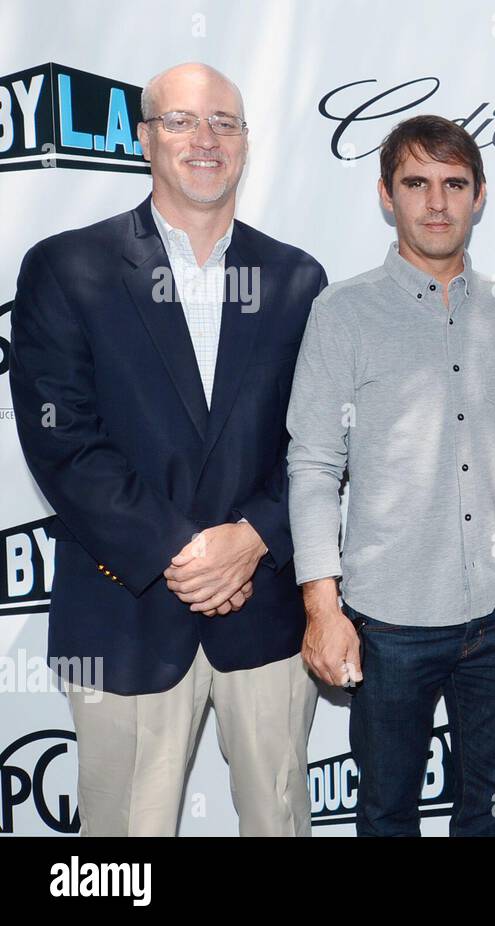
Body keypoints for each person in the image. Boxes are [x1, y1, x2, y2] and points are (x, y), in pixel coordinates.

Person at [10, 62, 326, 836]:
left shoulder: (295, 278)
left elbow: (320, 442)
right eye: (182, 121)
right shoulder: (66, 268)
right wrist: (185, 554)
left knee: (280, 822)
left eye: (225, 122)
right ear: (146, 139)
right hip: (127, 613)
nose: (205, 139)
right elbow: (64, 444)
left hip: (267, 618)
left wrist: (251, 540)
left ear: (246, 143)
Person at [288, 115, 495, 837]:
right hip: (389, 622)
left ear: (479, 195)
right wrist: (323, 606)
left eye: (454, 184)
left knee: (491, 812)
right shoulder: (342, 313)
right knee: (385, 814)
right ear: (386, 195)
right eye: (416, 183)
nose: (436, 202)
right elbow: (313, 464)